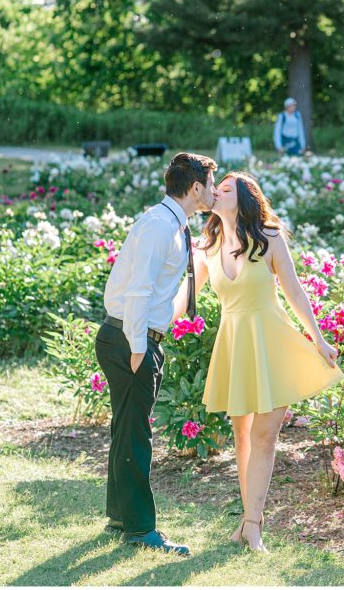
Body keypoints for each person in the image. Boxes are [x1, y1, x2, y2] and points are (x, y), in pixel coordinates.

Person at [172, 171, 342, 552]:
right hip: (235, 345)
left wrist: (319, 339)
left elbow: (295, 292)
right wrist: (154, 322)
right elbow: (185, 297)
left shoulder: (269, 238)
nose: (216, 192)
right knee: (242, 436)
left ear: (245, 198)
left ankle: (252, 525)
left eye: (225, 188)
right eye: (216, 187)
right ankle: (249, 522)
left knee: (265, 436)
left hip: (272, 343)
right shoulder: (207, 247)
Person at [95, 152, 218, 556]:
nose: (214, 192)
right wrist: (137, 348)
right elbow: (138, 290)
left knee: (126, 430)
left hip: (134, 337)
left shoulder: (173, 224)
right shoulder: (159, 225)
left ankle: (120, 516)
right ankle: (141, 529)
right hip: (129, 339)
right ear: (195, 187)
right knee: (135, 435)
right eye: (211, 185)